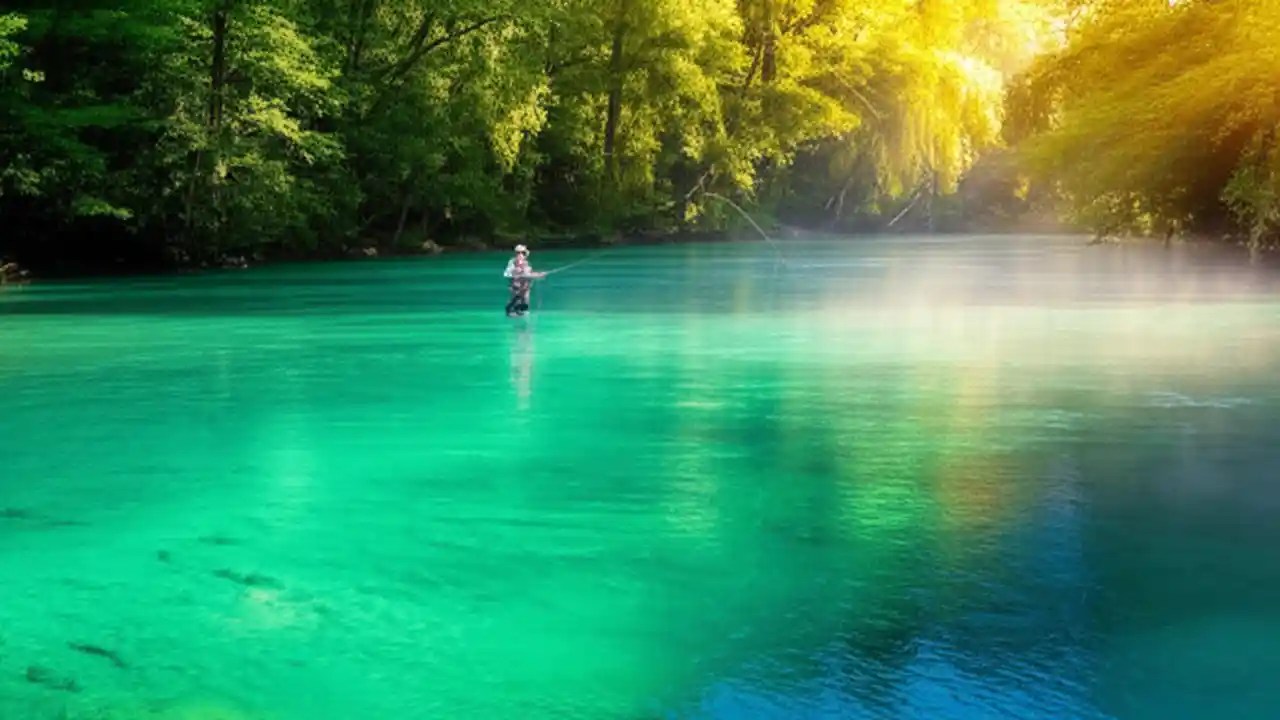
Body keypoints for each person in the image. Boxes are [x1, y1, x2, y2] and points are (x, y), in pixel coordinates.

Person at [504, 244, 545, 316]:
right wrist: (516, 274)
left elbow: (529, 273)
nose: (520, 254)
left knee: (525, 306)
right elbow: (506, 274)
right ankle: (511, 312)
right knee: (515, 305)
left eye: (522, 253)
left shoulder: (526, 263)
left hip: (525, 288)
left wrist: (539, 274)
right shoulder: (512, 263)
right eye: (518, 252)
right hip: (516, 289)